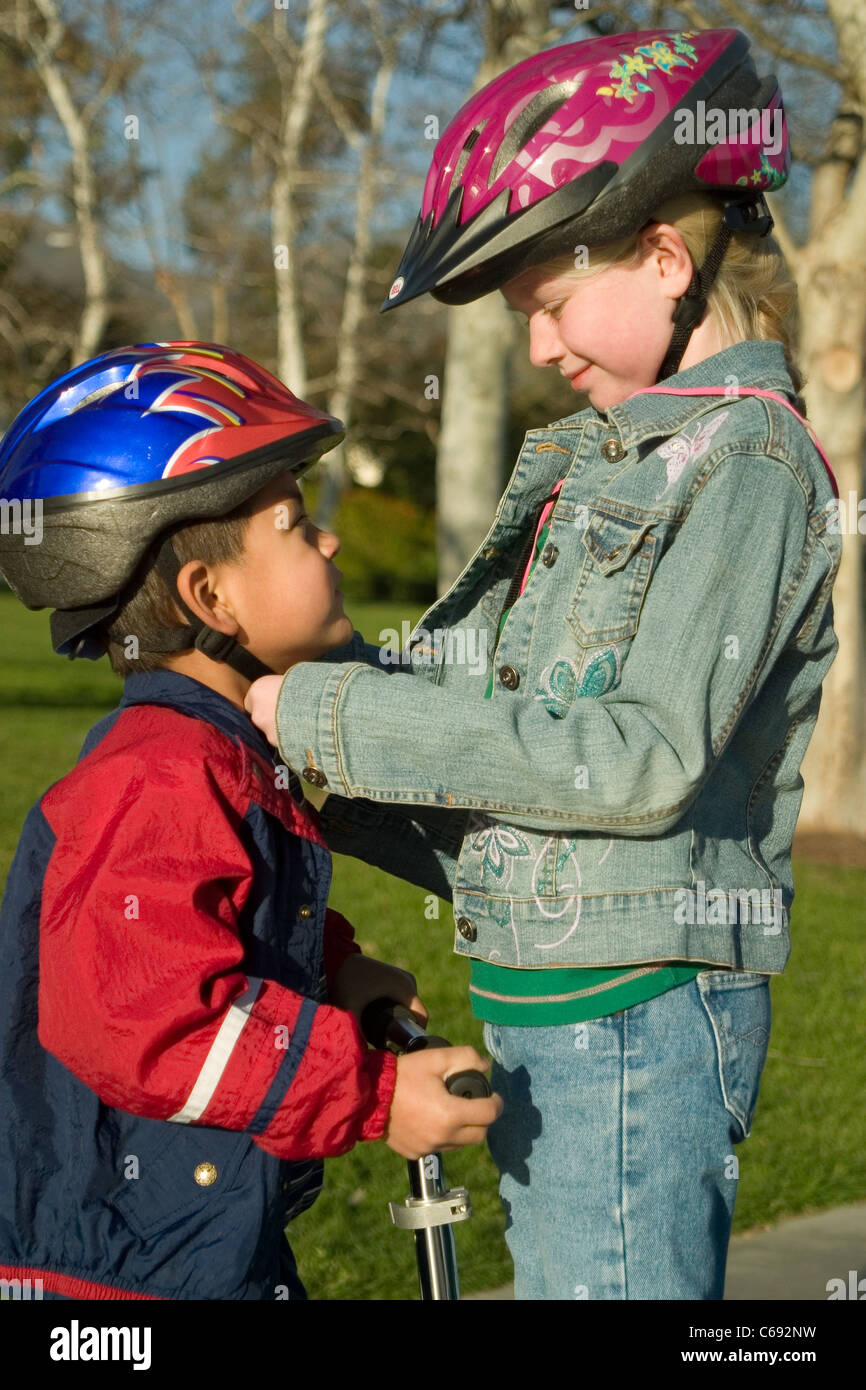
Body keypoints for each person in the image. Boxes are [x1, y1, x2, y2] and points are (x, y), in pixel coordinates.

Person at [243, 29, 844, 1300]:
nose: (537, 349)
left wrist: (330, 714)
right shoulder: (598, 464)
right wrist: (281, 729)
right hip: (550, 1004)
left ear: (664, 256)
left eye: (551, 307)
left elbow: (638, 762)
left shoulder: (745, 469)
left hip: (631, 1022)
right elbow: (488, 724)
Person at [0, 342, 501, 1302]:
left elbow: (221, 925)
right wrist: (376, 1094)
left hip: (197, 1242)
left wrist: (332, 967)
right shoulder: (156, 777)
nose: (331, 543)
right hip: (119, 1280)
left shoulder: (215, 753)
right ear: (209, 598)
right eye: (297, 524)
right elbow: (152, 1023)